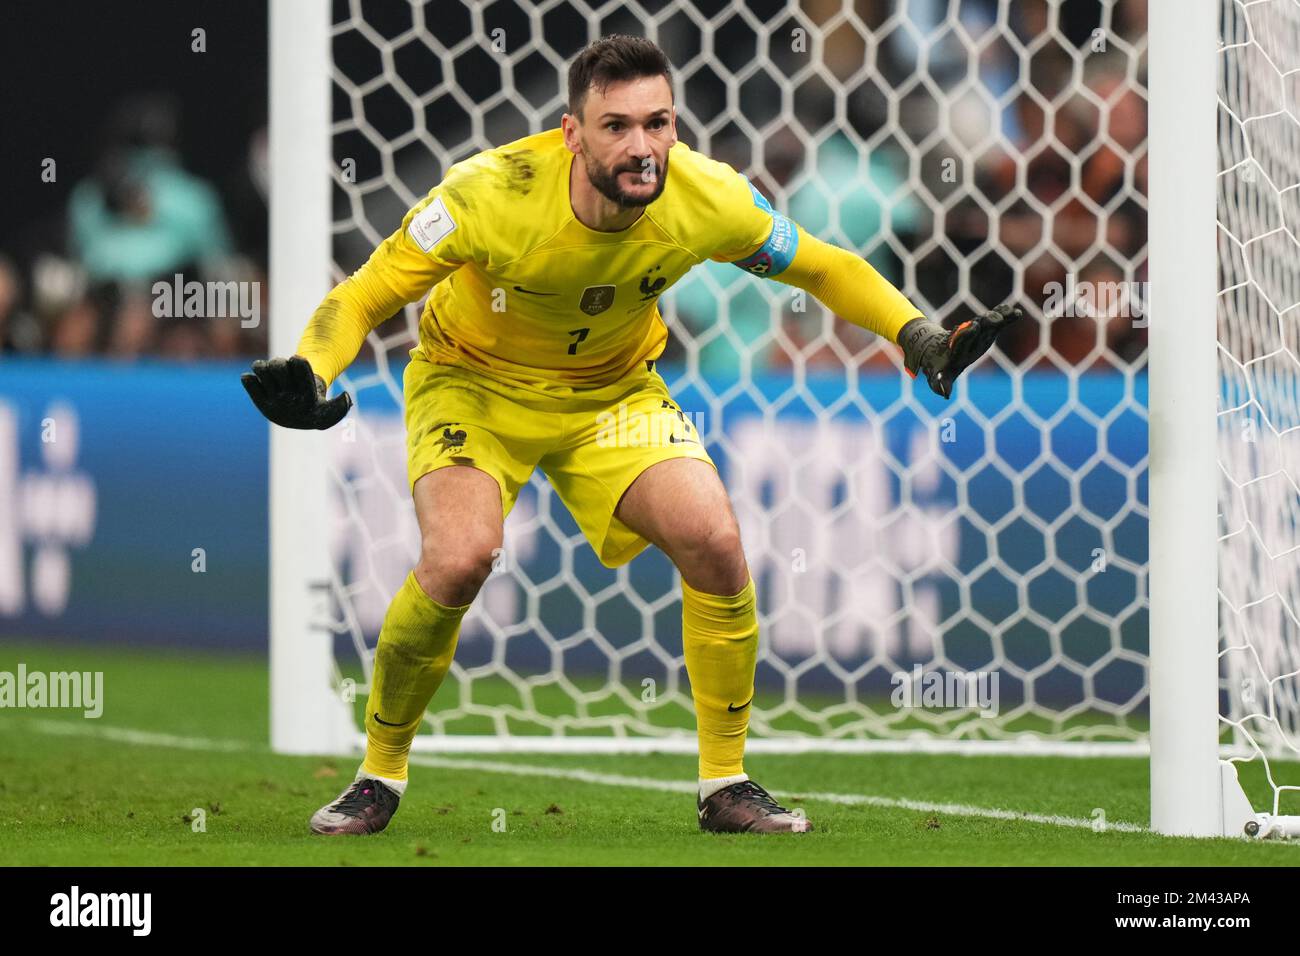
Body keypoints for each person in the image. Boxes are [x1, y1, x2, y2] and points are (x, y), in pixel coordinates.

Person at [242, 34, 1019, 836]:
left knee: (715, 538)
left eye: (659, 122)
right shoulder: (489, 194)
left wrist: (915, 332)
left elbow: (821, 266)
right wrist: (314, 366)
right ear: (572, 133)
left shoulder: (704, 196)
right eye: (616, 126)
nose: (643, 146)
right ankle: (378, 774)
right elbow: (367, 293)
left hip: (613, 394)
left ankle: (726, 783)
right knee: (460, 557)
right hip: (471, 385)